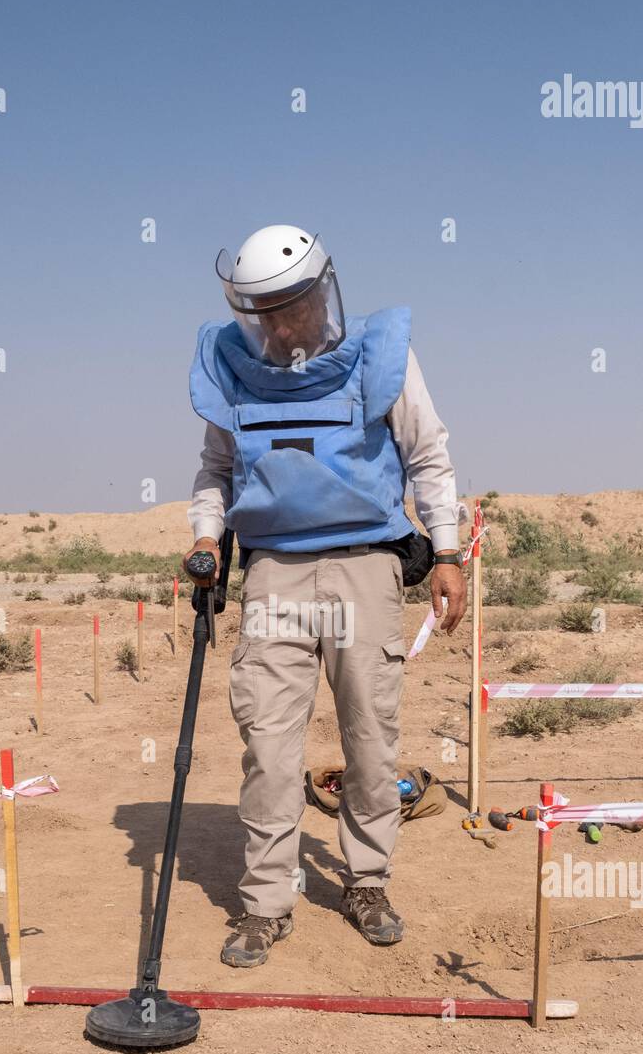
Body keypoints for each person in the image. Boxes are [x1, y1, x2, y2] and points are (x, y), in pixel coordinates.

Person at [184, 225, 466, 967]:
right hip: (275, 571)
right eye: (263, 311)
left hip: (366, 567)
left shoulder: (381, 356)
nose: (279, 324)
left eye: (291, 305)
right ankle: (265, 904)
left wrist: (446, 551)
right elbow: (215, 470)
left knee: (370, 741)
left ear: (323, 293)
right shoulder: (233, 370)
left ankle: (366, 880)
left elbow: (429, 455)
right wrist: (209, 538)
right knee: (270, 749)